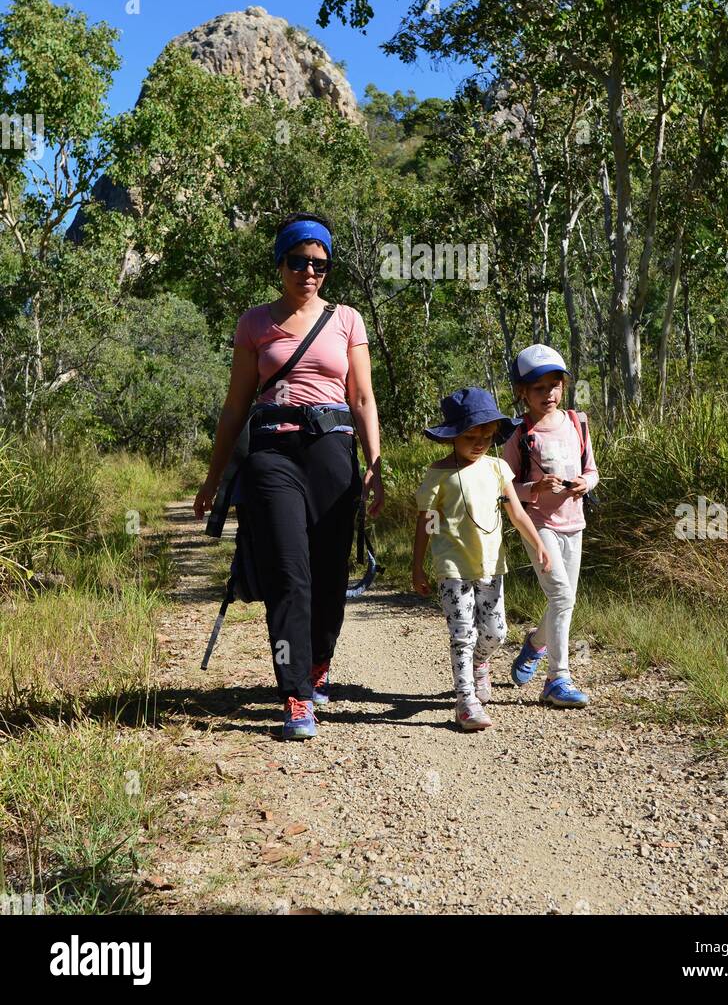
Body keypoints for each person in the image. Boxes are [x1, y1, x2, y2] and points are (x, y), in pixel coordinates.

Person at [194, 213, 384, 740]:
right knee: (287, 575)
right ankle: (295, 692)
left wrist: (375, 466)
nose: (309, 272)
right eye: (298, 262)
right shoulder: (254, 322)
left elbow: (363, 398)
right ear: (280, 263)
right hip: (272, 456)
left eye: (319, 264)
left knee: (327, 575)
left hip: (332, 453)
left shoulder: (347, 319)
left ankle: (318, 664)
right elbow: (234, 407)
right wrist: (213, 482)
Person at [413, 388, 551, 732]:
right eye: (470, 436)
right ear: (452, 437)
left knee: (495, 633)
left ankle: (480, 664)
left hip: (492, 566)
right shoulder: (438, 475)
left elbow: (516, 513)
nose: (479, 442)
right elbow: (426, 523)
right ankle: (465, 701)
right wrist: (417, 565)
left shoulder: (497, 468)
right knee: (463, 634)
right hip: (453, 569)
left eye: (486, 436)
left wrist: (537, 545)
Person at [501, 344, 598, 709]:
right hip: (538, 523)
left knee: (563, 598)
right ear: (522, 393)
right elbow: (504, 486)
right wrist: (534, 489)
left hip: (576, 523)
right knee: (562, 596)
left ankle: (535, 643)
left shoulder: (578, 422)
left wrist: (585, 484)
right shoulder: (519, 434)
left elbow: (592, 469)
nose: (549, 394)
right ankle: (558, 679)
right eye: (539, 389)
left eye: (555, 385)